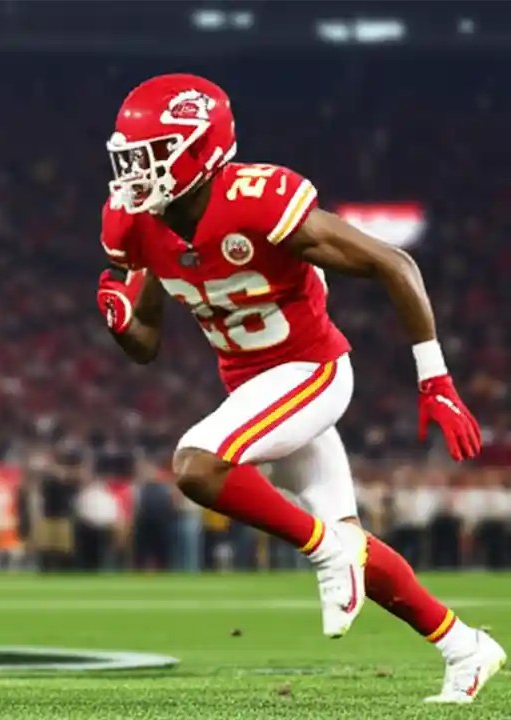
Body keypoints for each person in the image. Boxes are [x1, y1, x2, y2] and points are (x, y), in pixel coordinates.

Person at [95, 73, 502, 703]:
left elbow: (395, 263)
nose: (134, 171)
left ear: (200, 151)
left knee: (197, 466)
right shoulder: (137, 224)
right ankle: (465, 647)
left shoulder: (257, 200)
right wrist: (122, 320)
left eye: (150, 154)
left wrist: (436, 378)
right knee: (356, 545)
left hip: (312, 373)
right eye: (130, 155)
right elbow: (145, 346)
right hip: (254, 388)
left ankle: (323, 550)